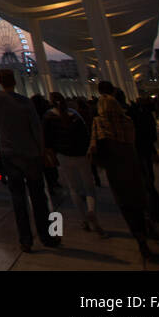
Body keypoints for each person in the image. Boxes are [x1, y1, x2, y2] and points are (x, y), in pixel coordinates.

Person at [0, 68, 57, 253]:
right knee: (39, 197)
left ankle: (25, 240)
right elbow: (36, 129)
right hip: (30, 154)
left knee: (18, 199)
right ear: (15, 81)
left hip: (9, 155)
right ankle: (46, 236)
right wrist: (42, 151)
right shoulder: (26, 103)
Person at [89, 83, 155, 263]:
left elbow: (94, 149)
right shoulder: (127, 121)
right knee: (140, 196)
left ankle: (139, 236)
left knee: (125, 202)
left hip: (115, 168)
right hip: (132, 163)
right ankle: (147, 222)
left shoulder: (99, 123)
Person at [44, 92, 106, 237]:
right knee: (89, 188)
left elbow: (47, 139)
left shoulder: (48, 117)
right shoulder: (75, 115)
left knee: (74, 188)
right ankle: (91, 210)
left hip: (64, 156)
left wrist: (52, 154)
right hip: (81, 154)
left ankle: (83, 220)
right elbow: (86, 134)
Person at [127, 93, 159, 225]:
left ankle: (147, 214)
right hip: (143, 153)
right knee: (148, 184)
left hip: (134, 154)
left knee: (143, 184)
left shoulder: (130, 115)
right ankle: (153, 213)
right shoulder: (141, 115)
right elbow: (149, 135)